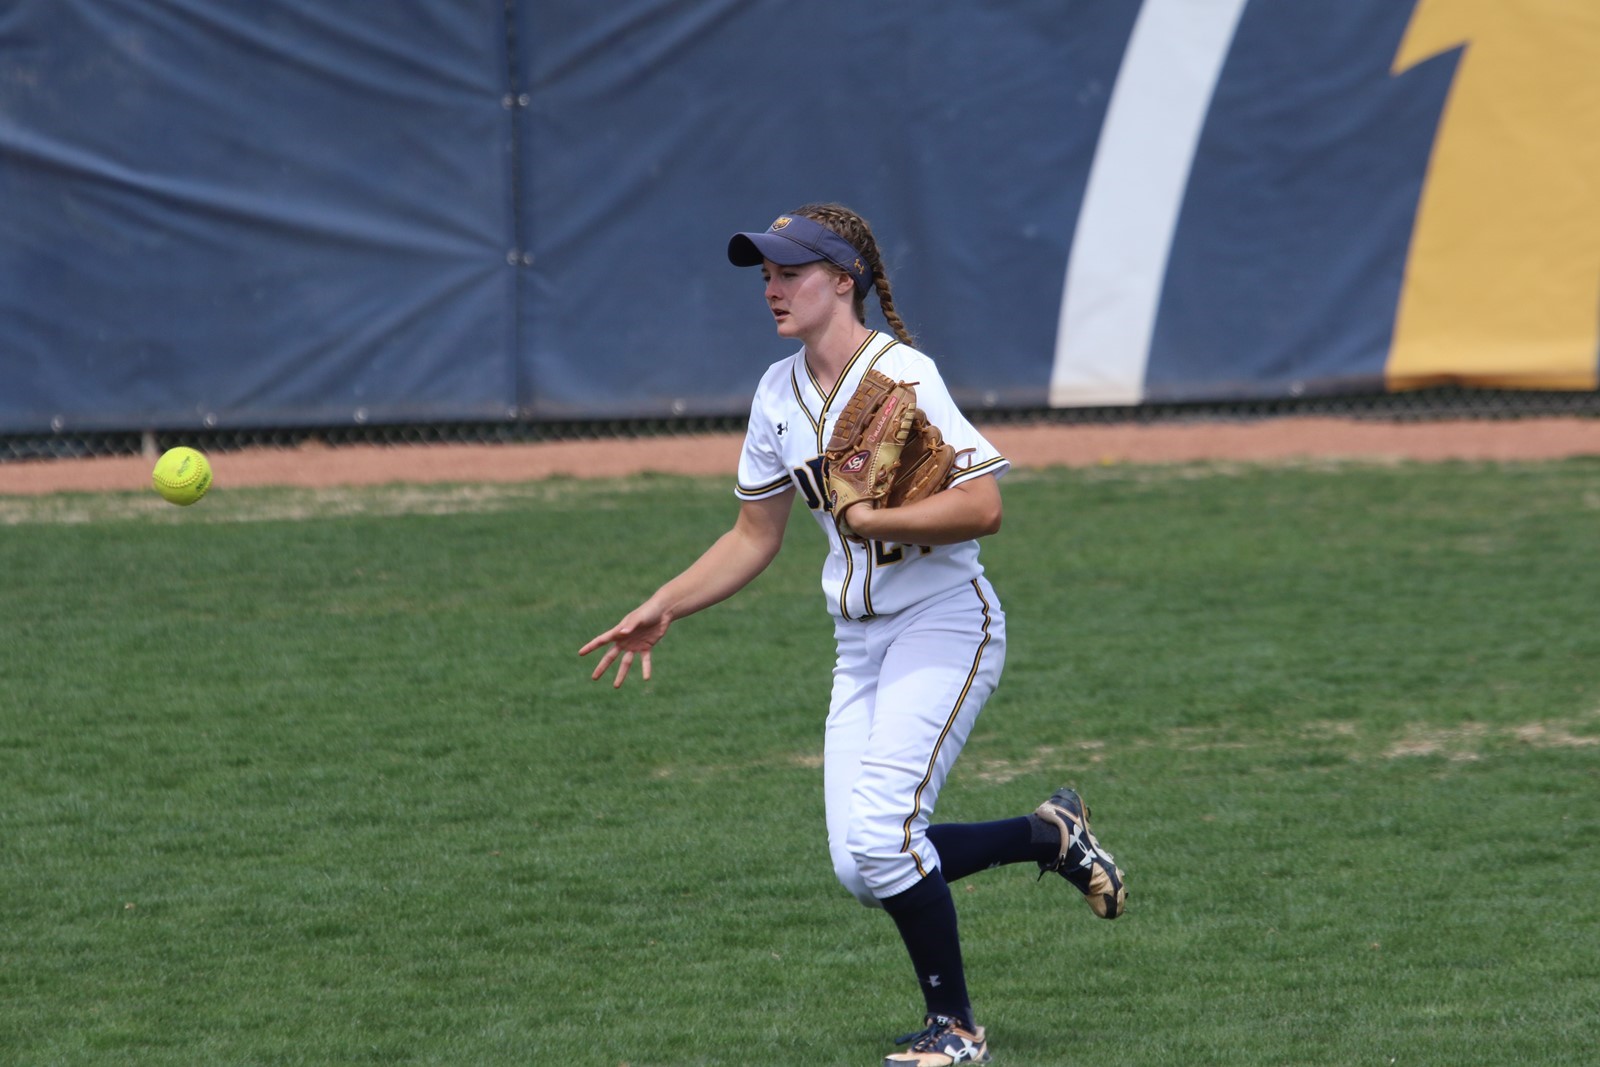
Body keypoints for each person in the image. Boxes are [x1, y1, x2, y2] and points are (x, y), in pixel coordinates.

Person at [579, 203, 1125, 1066]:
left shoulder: (905, 376)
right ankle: (1048, 833)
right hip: (859, 642)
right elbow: (753, 536)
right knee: (862, 866)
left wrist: (876, 517)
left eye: (789, 273)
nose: (772, 289)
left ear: (844, 281)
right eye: (765, 275)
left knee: (883, 840)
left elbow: (984, 506)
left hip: (947, 623)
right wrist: (667, 603)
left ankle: (958, 1031)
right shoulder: (775, 394)